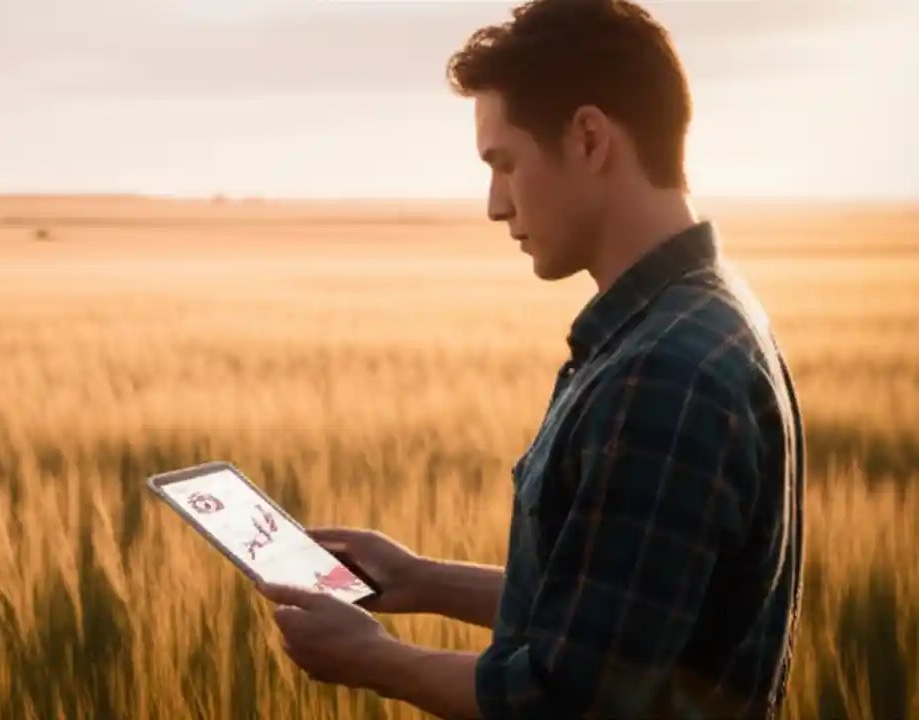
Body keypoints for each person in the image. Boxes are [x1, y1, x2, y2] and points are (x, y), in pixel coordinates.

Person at [255, 0, 806, 717]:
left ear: (588, 139)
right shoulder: (706, 314)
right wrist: (421, 580)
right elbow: (619, 620)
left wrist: (377, 660)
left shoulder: (662, 373)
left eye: (505, 163)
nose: (495, 204)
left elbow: (570, 700)